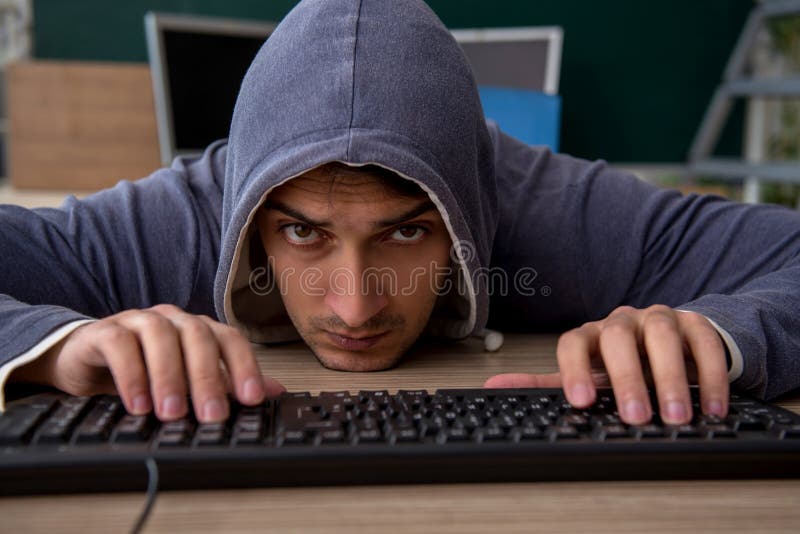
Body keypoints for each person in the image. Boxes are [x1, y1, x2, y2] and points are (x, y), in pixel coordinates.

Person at [2, 0, 799, 427]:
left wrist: (721, 334)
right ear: (247, 214)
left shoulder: (544, 205)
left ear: (470, 207)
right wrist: (53, 349)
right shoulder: (189, 215)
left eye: (408, 230)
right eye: (302, 231)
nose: (355, 307)